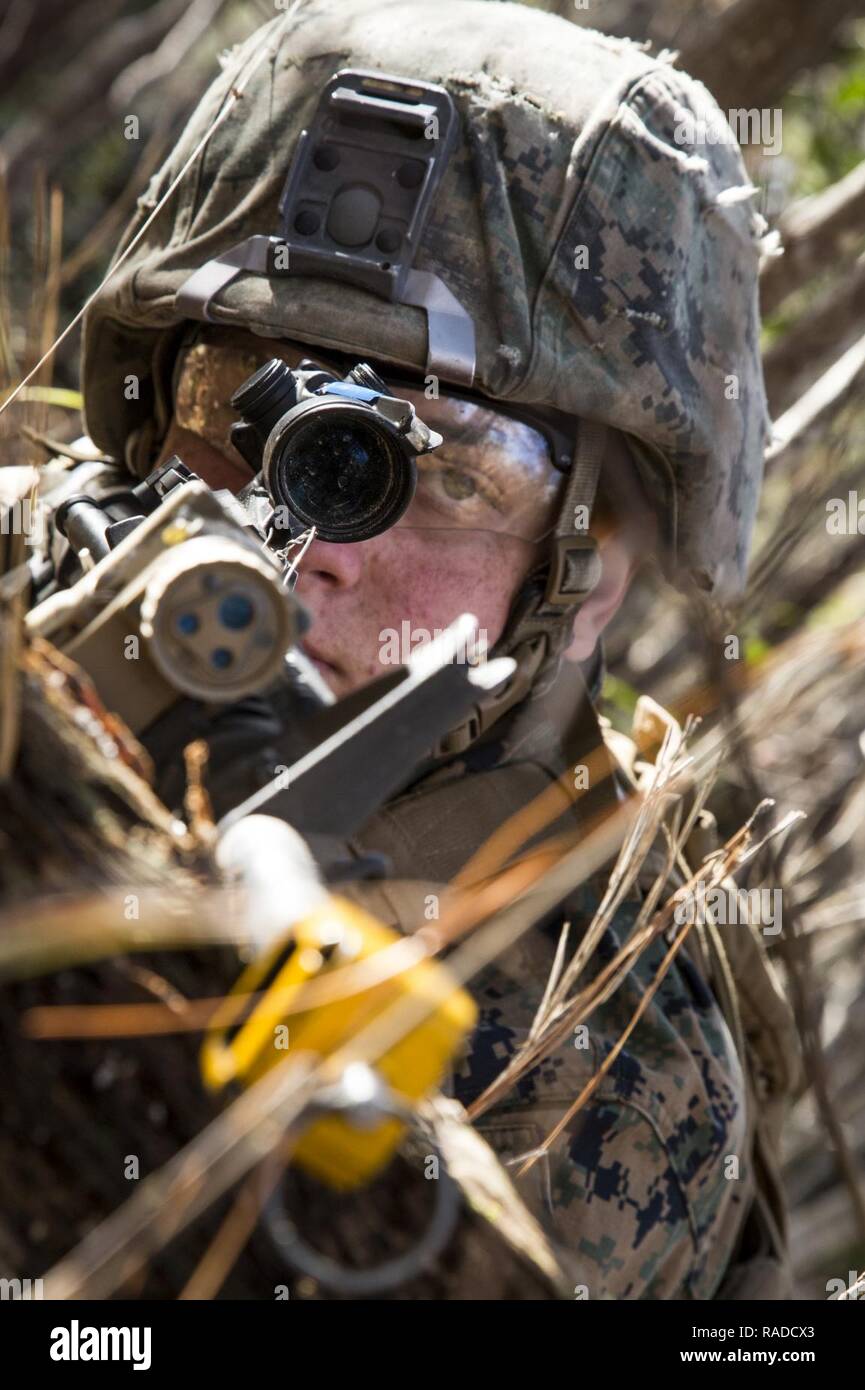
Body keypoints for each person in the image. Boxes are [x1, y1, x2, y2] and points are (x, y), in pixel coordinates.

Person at [53, 0, 799, 1297]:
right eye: (244, 406)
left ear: (591, 570)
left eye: (446, 473)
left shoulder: (591, 1074)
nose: (302, 533)